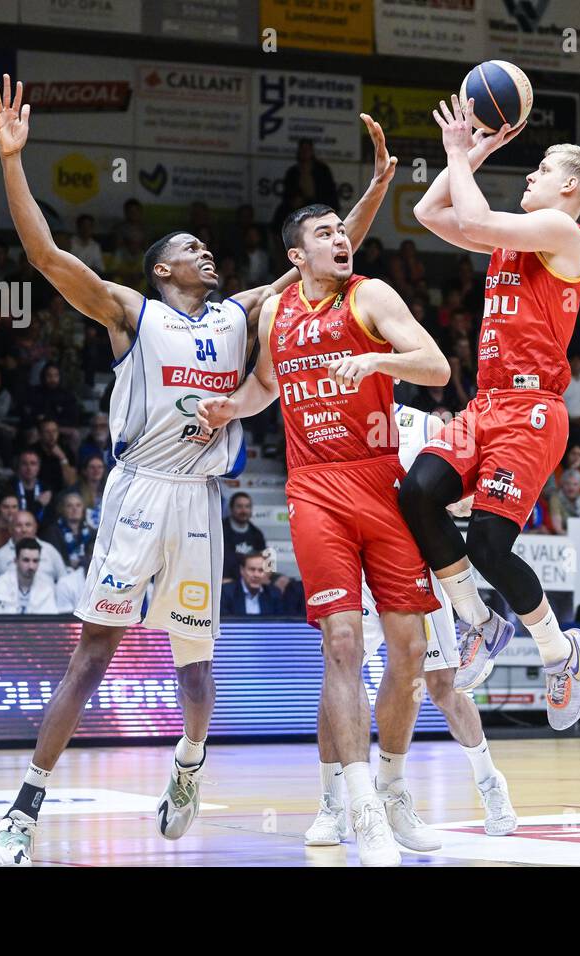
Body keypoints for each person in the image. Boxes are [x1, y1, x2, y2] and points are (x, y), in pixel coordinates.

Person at [0, 75, 400, 866]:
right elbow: (44, 253)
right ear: (163, 271)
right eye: (187, 251)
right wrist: (14, 160)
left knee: (197, 670)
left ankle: (188, 765)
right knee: (94, 653)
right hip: (140, 491)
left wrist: (376, 188)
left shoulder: (241, 312)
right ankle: (24, 809)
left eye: (203, 249)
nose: (202, 251)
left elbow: (323, 257)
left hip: (202, 500)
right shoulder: (129, 312)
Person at [199, 190, 452, 865]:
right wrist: (231, 409)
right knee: (342, 645)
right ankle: (358, 804)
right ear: (297, 254)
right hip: (315, 491)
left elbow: (437, 366)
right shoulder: (278, 309)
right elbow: (264, 385)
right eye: (325, 233)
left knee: (408, 653)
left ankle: (394, 789)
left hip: (381, 481)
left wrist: (377, 362)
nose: (341, 240)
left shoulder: (370, 297)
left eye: (345, 231)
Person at [400, 97, 580, 730]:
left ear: (568, 187)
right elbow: (428, 211)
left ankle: (556, 648)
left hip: (533, 410)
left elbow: (479, 219)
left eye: (540, 169)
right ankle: (481, 624)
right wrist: (475, 151)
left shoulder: (563, 234)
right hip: (485, 403)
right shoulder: (514, 242)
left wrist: (462, 152)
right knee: (417, 494)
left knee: (490, 542)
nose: (529, 176)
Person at [306, 403, 517, 846]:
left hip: (416, 564)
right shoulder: (332, 417)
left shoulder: (427, 424)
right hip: (354, 564)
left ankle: (489, 783)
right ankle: (331, 804)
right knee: (342, 671)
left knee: (443, 685)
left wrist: (467, 491)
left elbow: (460, 500)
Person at [0, 510, 66, 583]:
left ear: (35, 528)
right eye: (18, 525)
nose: (24, 530)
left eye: (28, 525)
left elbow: (64, 581)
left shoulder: (50, 551)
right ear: (10, 529)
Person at [0, 538, 58, 614]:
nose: (31, 566)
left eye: (35, 561)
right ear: (16, 561)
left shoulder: (47, 589)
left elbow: (50, 620)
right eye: (26, 560)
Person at [42, 492, 94, 573]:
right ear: (62, 509)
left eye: (78, 505)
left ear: (83, 509)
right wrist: (69, 563)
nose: (74, 509)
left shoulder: (91, 532)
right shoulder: (53, 532)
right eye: (69, 506)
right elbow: (54, 557)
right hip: (62, 574)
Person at [221, 491, 266, 582]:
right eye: (239, 506)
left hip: (251, 578)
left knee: (282, 581)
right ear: (231, 508)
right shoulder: (221, 530)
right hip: (226, 578)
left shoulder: (256, 533)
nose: (243, 510)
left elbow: (266, 560)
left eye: (247, 507)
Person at [547, 467, 580, 532]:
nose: (571, 488)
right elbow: (558, 529)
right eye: (567, 484)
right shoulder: (555, 499)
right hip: (564, 537)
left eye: (575, 484)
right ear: (562, 484)